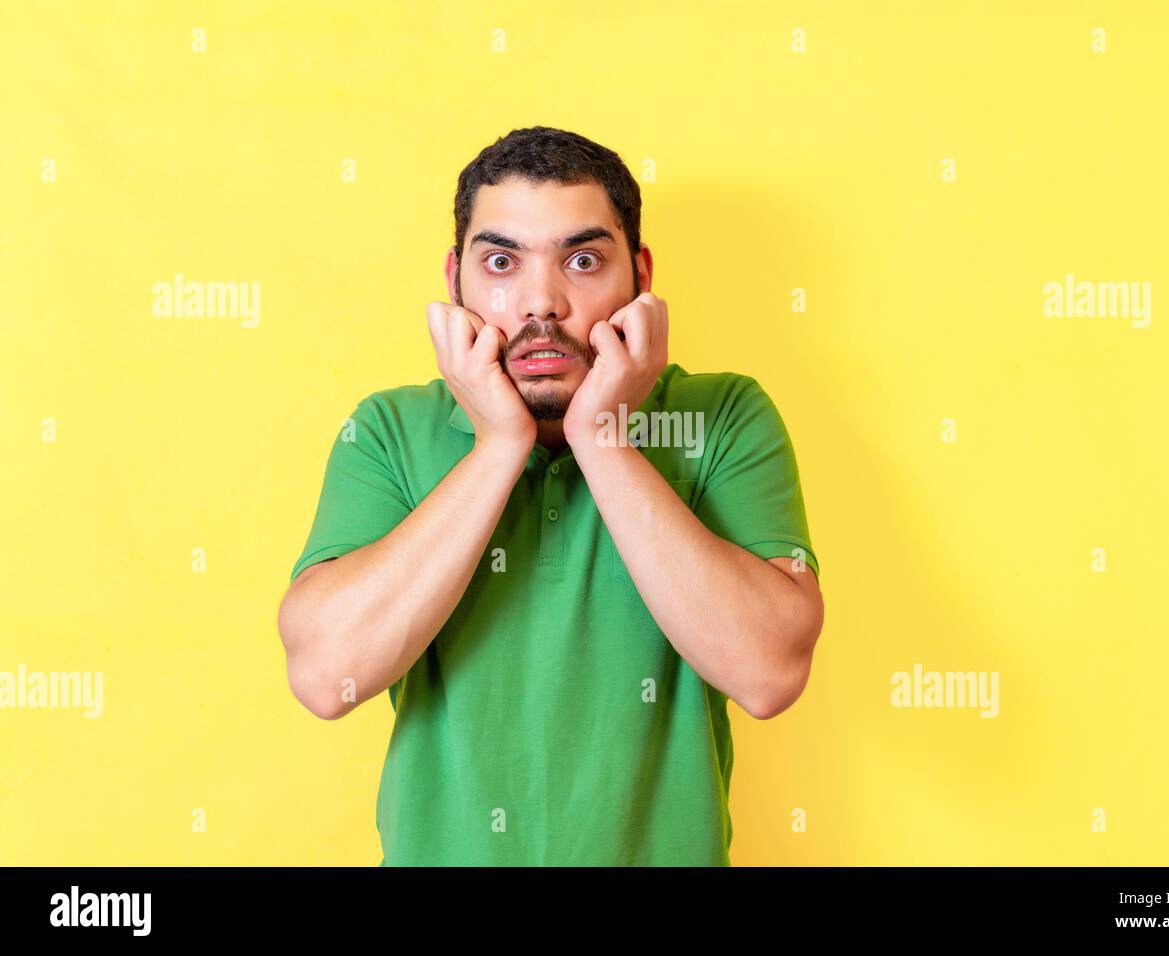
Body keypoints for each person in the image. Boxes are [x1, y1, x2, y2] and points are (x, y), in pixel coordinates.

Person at [277, 126, 824, 865]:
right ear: (455, 280)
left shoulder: (723, 415)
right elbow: (323, 677)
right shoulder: (387, 431)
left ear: (640, 274)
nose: (543, 303)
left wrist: (603, 440)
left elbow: (770, 675)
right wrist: (498, 447)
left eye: (584, 260)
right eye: (502, 261)